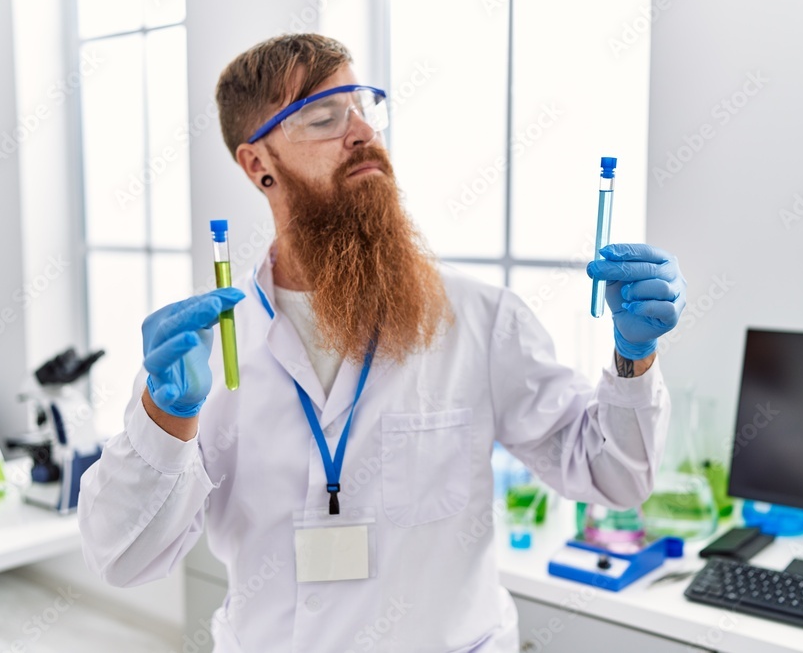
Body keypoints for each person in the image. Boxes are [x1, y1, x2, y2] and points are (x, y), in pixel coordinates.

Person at [78, 33, 686, 652]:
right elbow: (122, 557)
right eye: (324, 117)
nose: (362, 132)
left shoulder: (479, 318)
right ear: (258, 164)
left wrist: (633, 359)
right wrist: (165, 418)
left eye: (365, 109)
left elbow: (616, 478)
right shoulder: (210, 350)